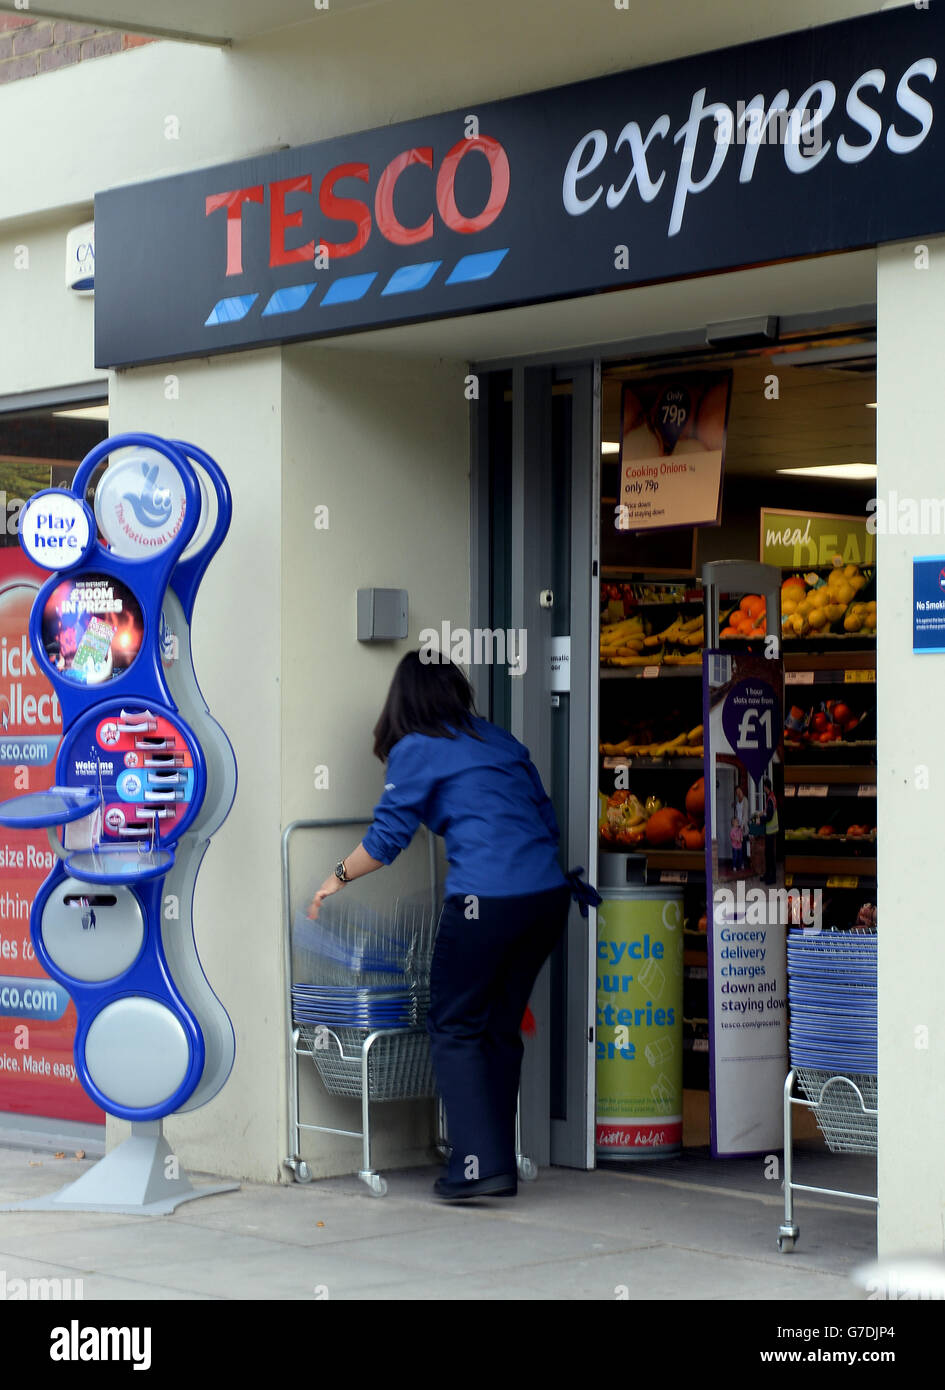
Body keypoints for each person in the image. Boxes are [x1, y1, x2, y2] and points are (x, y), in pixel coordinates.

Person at [307, 650, 599, 1202]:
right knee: (498, 1028)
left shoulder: (417, 748)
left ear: (405, 698)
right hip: (545, 899)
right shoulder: (497, 740)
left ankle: (477, 1166)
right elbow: (545, 817)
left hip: (486, 902)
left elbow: (386, 839)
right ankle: (494, 1162)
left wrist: (335, 878)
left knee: (455, 1025)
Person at [762, 776, 779, 885]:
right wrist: (762, 813)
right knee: (767, 854)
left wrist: (760, 819)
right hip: (770, 831)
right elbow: (768, 811)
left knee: (770, 855)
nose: (763, 788)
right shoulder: (770, 797)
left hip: (771, 831)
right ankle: (768, 874)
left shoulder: (770, 799)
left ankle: (772, 877)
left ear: (765, 787)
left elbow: (769, 816)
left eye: (763, 786)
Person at [735, 785, 750, 866]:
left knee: (743, 844)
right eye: (737, 792)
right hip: (738, 825)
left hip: (743, 826)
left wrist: (743, 825)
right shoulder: (738, 801)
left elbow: (745, 814)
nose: (738, 793)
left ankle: (744, 861)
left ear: (741, 790)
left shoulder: (745, 800)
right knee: (738, 844)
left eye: (739, 791)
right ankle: (740, 861)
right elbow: (738, 813)